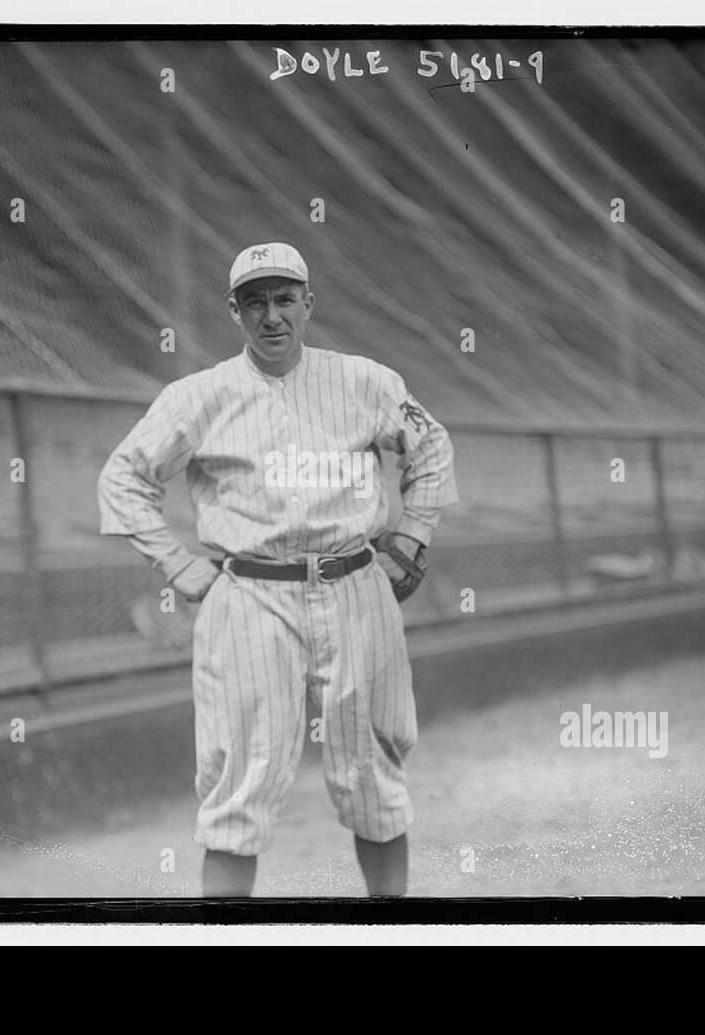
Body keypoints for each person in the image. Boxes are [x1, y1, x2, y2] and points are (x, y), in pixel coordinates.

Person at [98, 242, 458, 896]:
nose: (272, 316)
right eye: (255, 302)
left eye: (284, 299)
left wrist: (413, 534)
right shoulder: (199, 396)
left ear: (308, 303)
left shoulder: (365, 381)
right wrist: (178, 564)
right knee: (240, 783)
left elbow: (429, 444)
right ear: (234, 312)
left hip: (355, 582)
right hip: (251, 593)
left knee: (372, 776)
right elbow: (123, 477)